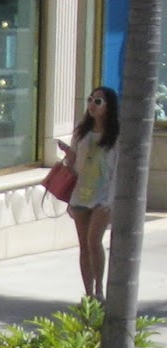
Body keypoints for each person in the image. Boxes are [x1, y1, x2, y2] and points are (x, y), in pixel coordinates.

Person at [61, 86, 119, 300]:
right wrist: (68, 153)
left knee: (94, 241)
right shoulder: (81, 131)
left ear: (109, 106)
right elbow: (74, 164)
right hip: (81, 194)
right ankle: (88, 294)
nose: (92, 105)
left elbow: (118, 169)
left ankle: (99, 291)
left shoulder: (115, 135)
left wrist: (113, 200)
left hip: (103, 196)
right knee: (84, 245)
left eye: (98, 102)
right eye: (90, 100)